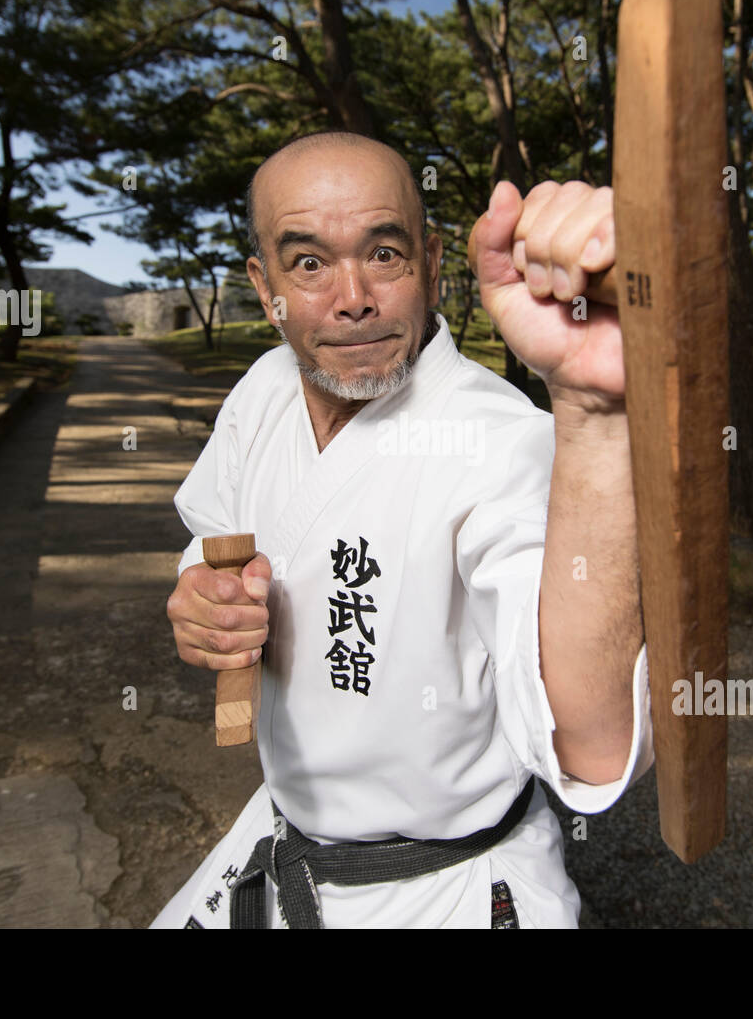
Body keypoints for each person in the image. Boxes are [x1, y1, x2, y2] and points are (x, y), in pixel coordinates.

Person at [151, 130, 652, 929]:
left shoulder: (494, 439)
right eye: (308, 263)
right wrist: (199, 593)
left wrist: (593, 414)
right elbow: (213, 526)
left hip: (448, 886)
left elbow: (592, 746)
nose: (352, 296)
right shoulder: (265, 388)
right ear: (263, 283)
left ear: (432, 260)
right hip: (286, 842)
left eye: (383, 253)